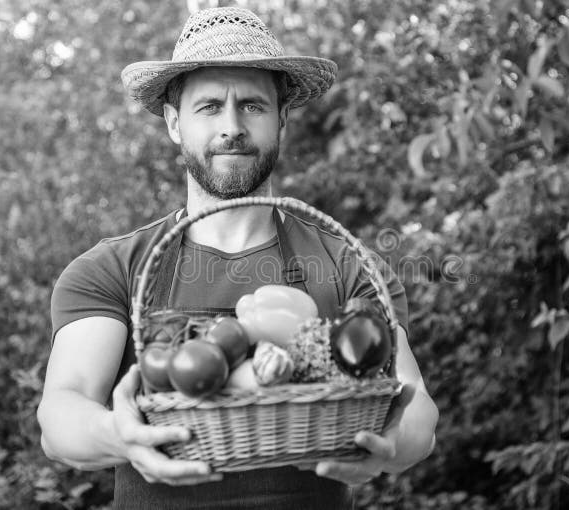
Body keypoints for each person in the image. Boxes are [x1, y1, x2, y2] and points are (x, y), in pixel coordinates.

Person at [37, 6, 438, 509]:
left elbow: (415, 403)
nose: (232, 126)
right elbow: (61, 413)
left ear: (282, 119)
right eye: (208, 107)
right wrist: (120, 436)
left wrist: (391, 447)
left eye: (251, 105)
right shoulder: (113, 269)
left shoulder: (348, 265)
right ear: (173, 123)